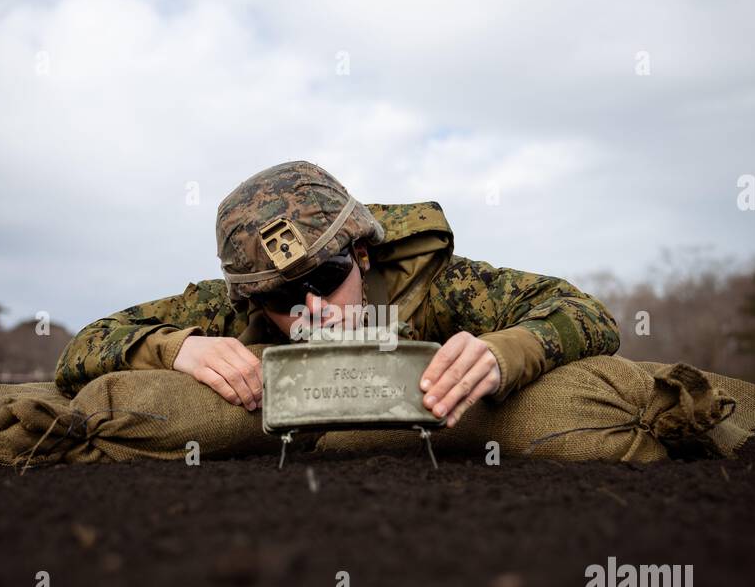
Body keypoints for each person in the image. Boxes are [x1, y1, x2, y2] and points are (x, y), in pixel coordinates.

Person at [54, 160, 620, 429]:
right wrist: (177, 349)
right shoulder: (224, 311)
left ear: (362, 255)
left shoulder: (444, 287)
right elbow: (85, 345)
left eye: (326, 279)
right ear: (255, 301)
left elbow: (586, 313)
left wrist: (503, 354)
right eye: (286, 297)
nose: (314, 311)